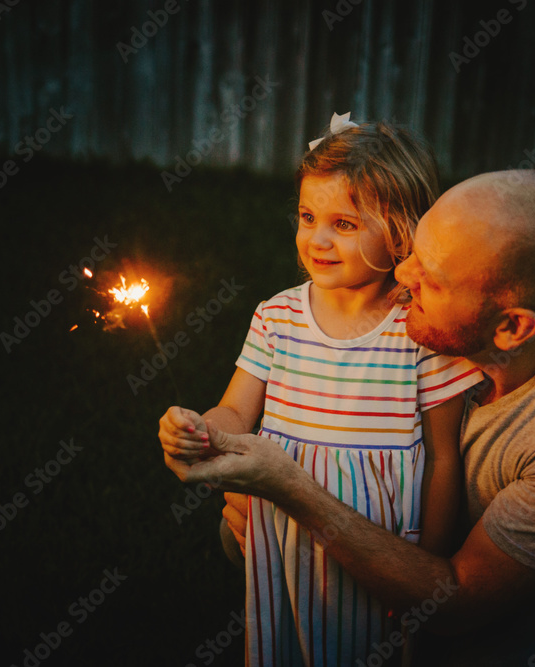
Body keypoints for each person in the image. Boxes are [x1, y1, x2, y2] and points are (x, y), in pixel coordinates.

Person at [164, 169, 535, 666]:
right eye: (415, 250)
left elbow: (452, 605)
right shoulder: (447, 315)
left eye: (430, 278)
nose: (402, 275)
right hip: (427, 541)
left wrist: (291, 490)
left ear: (511, 329)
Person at [158, 114, 483, 666]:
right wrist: (205, 430)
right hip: (285, 524)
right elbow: (239, 407)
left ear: (402, 231)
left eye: (345, 225)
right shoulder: (278, 316)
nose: (317, 239)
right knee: (287, 637)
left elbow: (444, 456)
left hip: (376, 539)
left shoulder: (420, 330)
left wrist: (426, 560)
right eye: (308, 217)